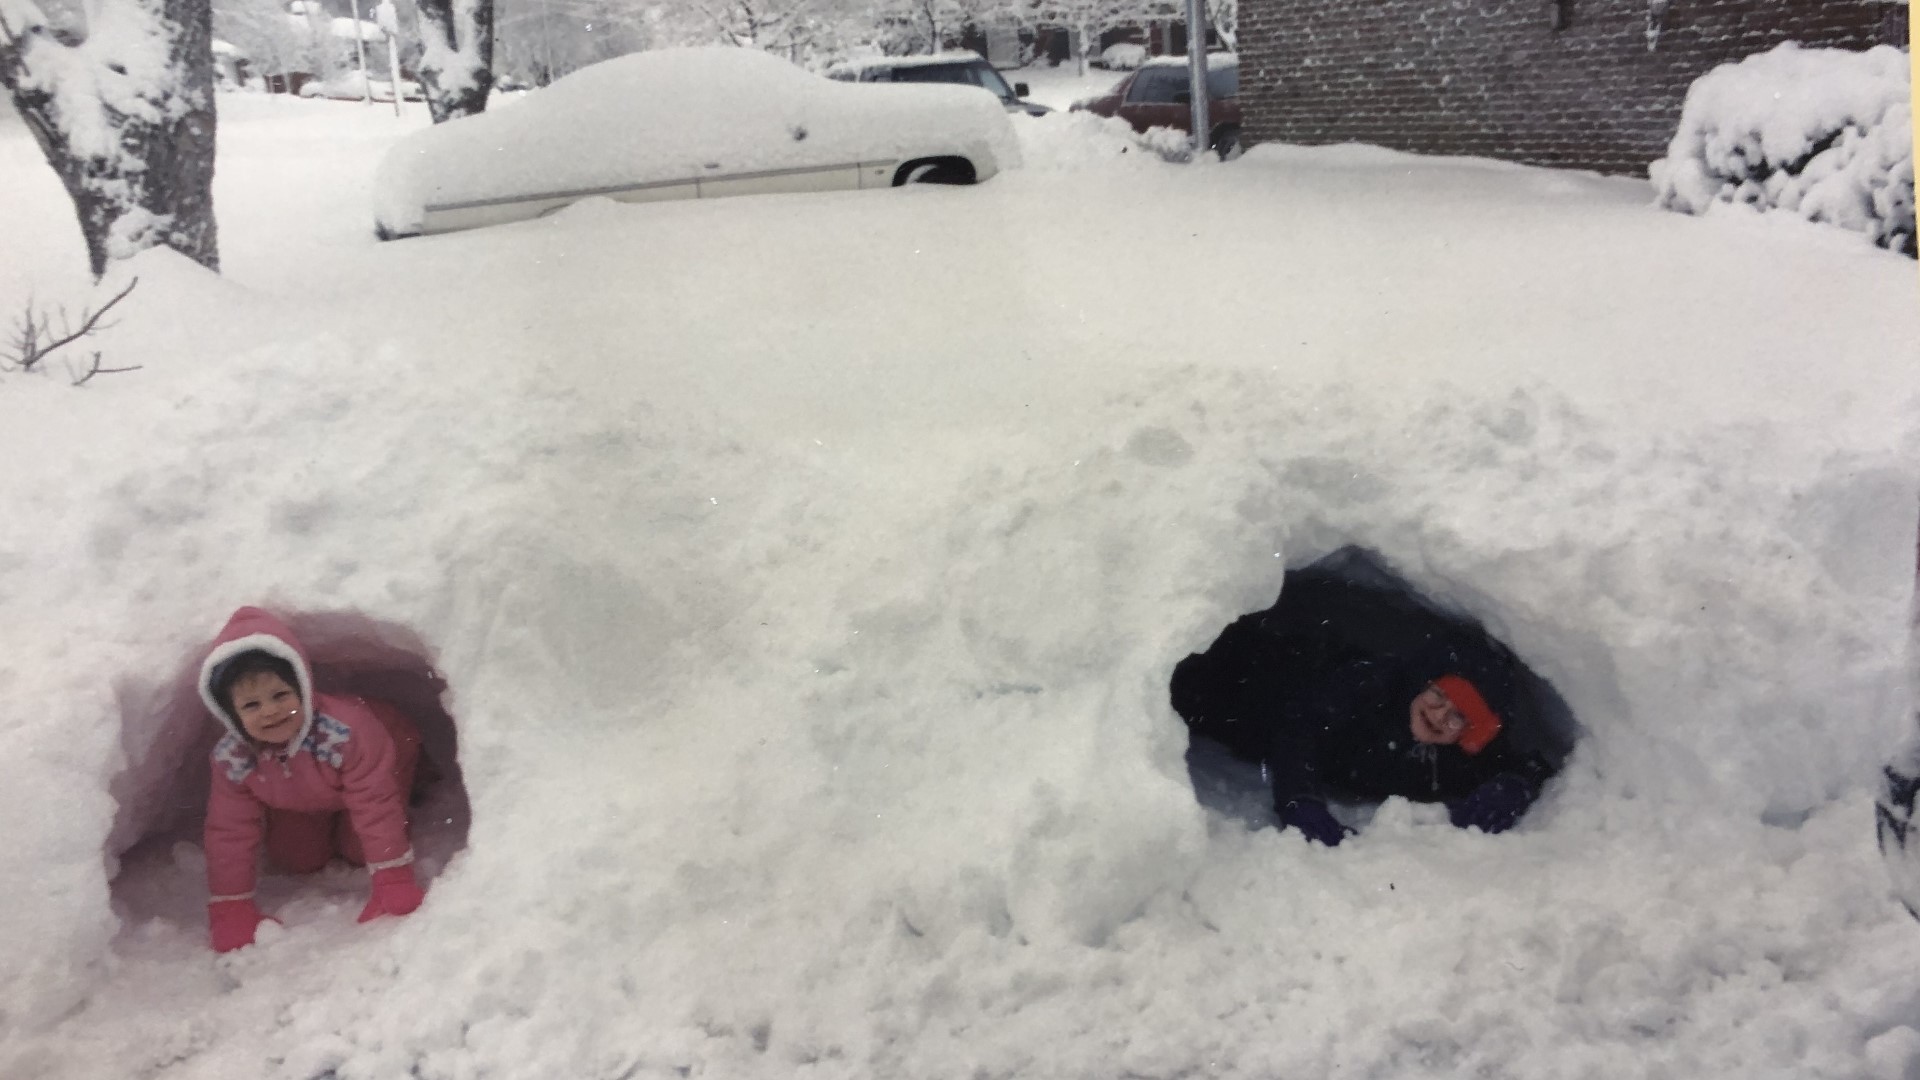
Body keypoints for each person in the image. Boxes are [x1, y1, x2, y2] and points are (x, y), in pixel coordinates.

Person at [1172, 552, 1567, 846]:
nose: (1439, 715)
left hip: (1286, 723)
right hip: (1254, 687)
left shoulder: (1460, 758)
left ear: (1471, 733)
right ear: (1423, 684)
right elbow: (1301, 729)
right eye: (1440, 697)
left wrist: (1513, 784)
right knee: (1194, 684)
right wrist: (1300, 799)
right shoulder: (1374, 684)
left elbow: (1533, 760)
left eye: (1458, 717)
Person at [197, 606, 428, 952]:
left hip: (387, 750)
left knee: (358, 850)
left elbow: (375, 803)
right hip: (308, 793)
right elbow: (229, 831)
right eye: (252, 705)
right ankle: (318, 814)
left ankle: (422, 777)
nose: (270, 711)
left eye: (280, 695)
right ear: (231, 715)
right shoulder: (234, 759)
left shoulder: (345, 733)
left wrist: (392, 877)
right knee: (297, 859)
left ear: (303, 689)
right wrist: (231, 906)